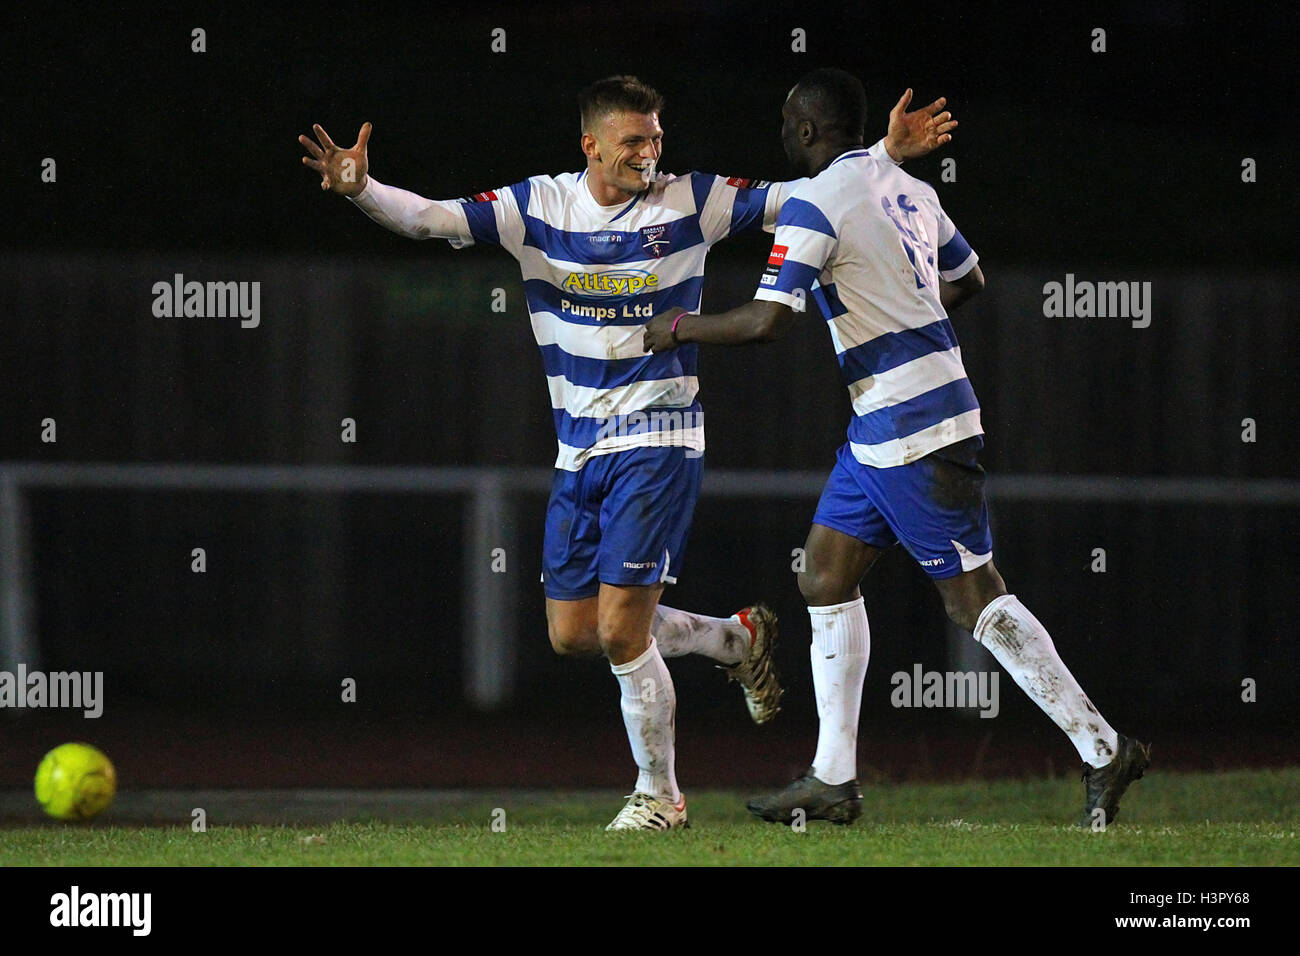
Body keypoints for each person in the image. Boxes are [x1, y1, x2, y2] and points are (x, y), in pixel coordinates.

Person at [300, 75, 955, 830]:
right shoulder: (537, 206)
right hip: (578, 450)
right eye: (633, 143)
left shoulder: (691, 200)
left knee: (619, 631)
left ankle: (660, 798)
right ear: (592, 147)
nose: (650, 155)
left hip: (659, 436)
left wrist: (878, 154)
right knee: (572, 632)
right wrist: (361, 188)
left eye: (656, 139)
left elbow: (801, 197)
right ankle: (730, 639)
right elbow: (427, 220)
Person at [644, 67, 1150, 828]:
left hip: (916, 428)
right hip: (881, 427)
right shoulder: (910, 188)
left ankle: (1104, 747)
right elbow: (969, 277)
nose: (783, 133)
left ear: (808, 131)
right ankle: (832, 779)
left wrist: (676, 328)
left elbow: (766, 322)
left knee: (974, 599)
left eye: (788, 123)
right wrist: (905, 310)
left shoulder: (816, 201)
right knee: (822, 574)